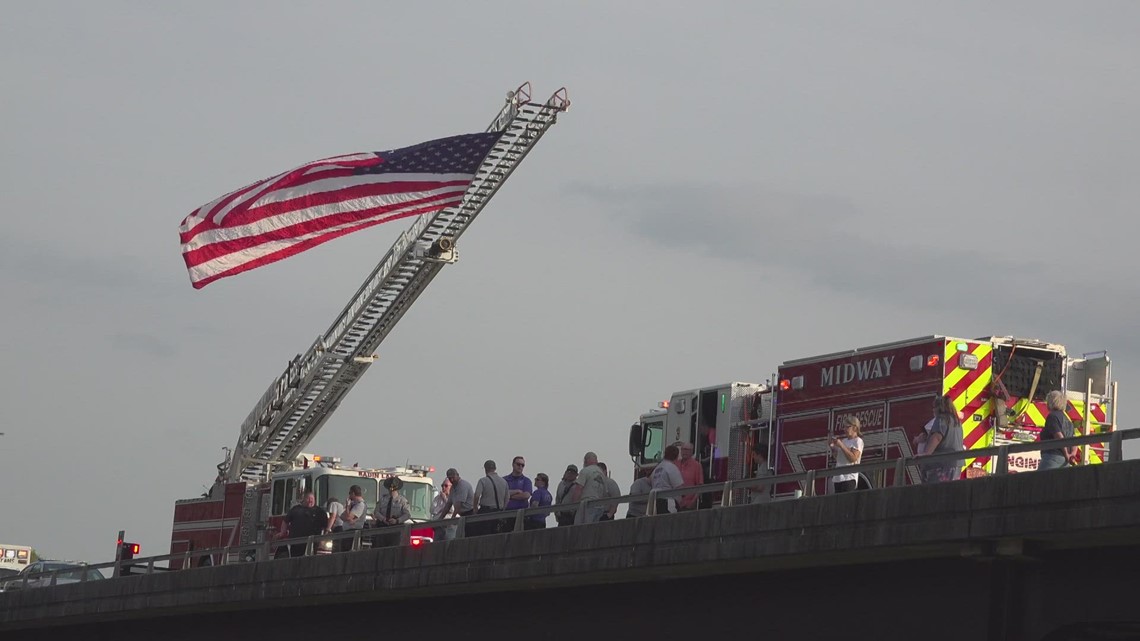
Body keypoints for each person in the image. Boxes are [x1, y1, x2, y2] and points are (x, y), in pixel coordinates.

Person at [916, 395, 965, 482]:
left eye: (934, 407)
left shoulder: (941, 420)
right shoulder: (956, 422)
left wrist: (926, 454)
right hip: (956, 464)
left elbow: (937, 437)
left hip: (941, 465)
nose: (933, 410)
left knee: (935, 493)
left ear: (939, 407)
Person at [278, 491, 328, 558]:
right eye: (308, 498)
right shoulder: (295, 509)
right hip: (296, 541)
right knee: (296, 559)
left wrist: (323, 539)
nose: (310, 501)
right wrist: (282, 532)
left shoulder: (320, 511)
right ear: (304, 499)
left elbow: (325, 526)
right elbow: (285, 521)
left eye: (312, 499)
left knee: (312, 559)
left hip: (313, 541)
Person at [1039, 390, 1077, 470]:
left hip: (1052, 457)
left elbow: (1059, 436)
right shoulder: (1068, 421)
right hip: (1065, 462)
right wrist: (1072, 455)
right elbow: (1074, 440)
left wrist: (1066, 454)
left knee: (1037, 481)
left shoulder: (1052, 416)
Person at [569, 452, 608, 523]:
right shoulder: (602, 474)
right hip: (599, 505)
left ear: (586, 460)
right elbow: (605, 492)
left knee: (581, 529)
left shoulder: (585, 471)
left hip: (587, 505)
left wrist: (573, 506)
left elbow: (579, 488)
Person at [472, 460, 509, 536]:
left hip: (486, 512)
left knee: (484, 535)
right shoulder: (504, 481)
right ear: (495, 468)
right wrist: (503, 509)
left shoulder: (483, 481)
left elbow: (477, 495)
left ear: (485, 469)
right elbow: (507, 497)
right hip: (499, 512)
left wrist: (475, 509)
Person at [829, 416, 864, 493]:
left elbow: (853, 458)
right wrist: (832, 447)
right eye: (844, 427)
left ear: (855, 428)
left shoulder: (858, 441)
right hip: (838, 477)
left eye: (847, 427)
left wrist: (841, 445)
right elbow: (838, 458)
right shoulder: (844, 441)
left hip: (849, 478)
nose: (844, 429)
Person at [650, 445, 684, 515]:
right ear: (676, 456)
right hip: (668, 501)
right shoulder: (671, 467)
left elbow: (651, 481)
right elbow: (679, 487)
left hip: (655, 501)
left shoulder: (657, 468)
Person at [674, 442, 704, 511]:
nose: (684, 452)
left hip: (688, 505)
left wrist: (692, 503)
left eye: (687, 450)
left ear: (692, 452)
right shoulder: (675, 464)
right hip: (675, 504)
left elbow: (700, 486)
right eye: (683, 449)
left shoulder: (697, 465)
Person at [340, 485, 367, 552]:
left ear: (353, 493)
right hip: (347, 531)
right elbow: (342, 516)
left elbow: (348, 517)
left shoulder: (360, 505)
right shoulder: (353, 504)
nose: (349, 495)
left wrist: (347, 507)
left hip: (354, 531)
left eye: (350, 493)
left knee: (350, 552)